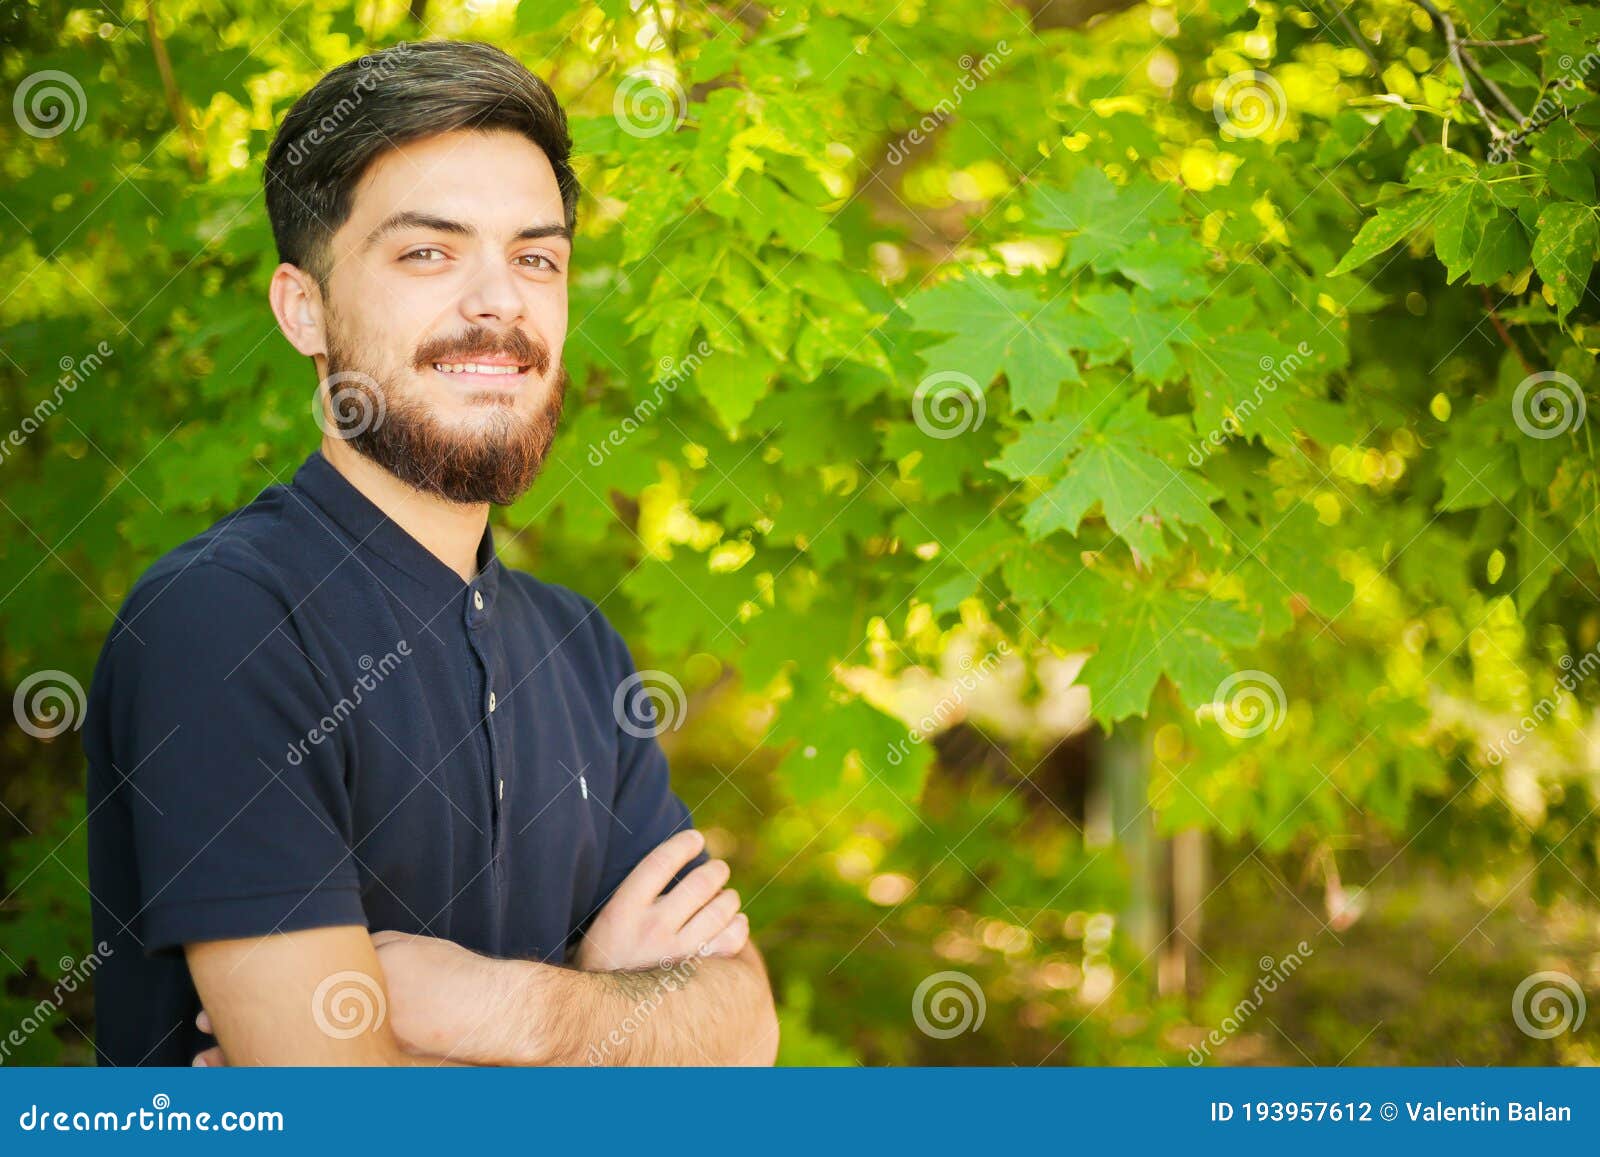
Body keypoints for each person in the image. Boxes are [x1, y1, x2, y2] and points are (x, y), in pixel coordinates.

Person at [82, 40, 777, 1067]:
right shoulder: (221, 621)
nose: (499, 302)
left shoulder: (580, 649)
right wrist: (614, 1014)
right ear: (302, 308)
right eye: (427, 252)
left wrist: (501, 1010)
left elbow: (744, 1025)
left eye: (536, 257)